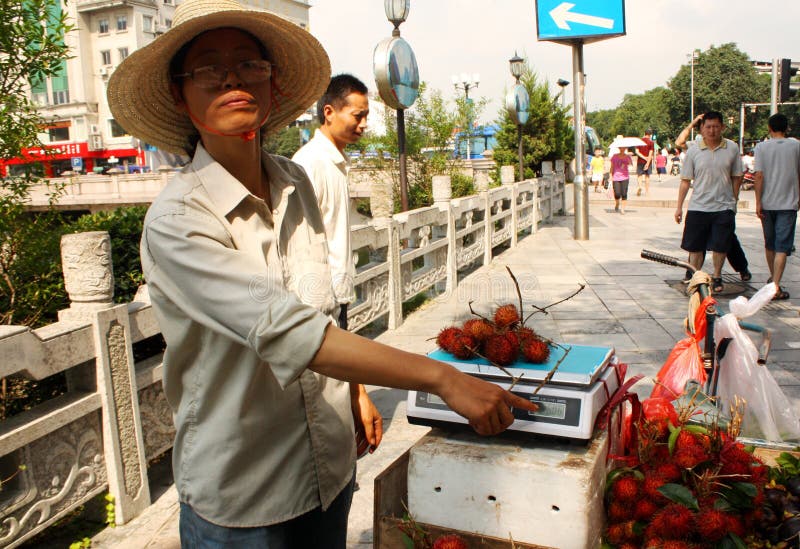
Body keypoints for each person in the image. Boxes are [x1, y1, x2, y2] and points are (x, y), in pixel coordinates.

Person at [106, 1, 537, 547]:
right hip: (243, 497)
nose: (232, 78)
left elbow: (321, 306)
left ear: (272, 82)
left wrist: (354, 389)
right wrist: (442, 377)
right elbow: (287, 332)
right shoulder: (178, 221)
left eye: (248, 64)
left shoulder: (295, 184)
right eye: (209, 69)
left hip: (328, 472)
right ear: (179, 94)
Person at [292, 74, 367, 331]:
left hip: (337, 294)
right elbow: (299, 241)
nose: (364, 124)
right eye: (358, 116)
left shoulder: (335, 161)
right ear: (329, 112)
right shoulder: (310, 164)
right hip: (319, 303)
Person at [675, 115, 751, 284]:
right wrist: (679, 207)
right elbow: (685, 180)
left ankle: (717, 276)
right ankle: (695, 277)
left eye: (715, 126)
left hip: (723, 207)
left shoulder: (731, 148)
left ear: (722, 127)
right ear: (702, 129)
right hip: (698, 206)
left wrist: (733, 199)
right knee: (695, 246)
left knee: (722, 245)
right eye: (708, 127)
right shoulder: (694, 149)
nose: (712, 130)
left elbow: (737, 177)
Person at [754, 113, 800, 300]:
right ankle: (776, 286)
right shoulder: (796, 145)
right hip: (788, 203)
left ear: (769, 128)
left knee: (770, 243)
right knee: (782, 247)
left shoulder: (761, 147)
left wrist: (758, 201)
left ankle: (774, 279)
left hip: (767, 203)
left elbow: (759, 176)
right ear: (787, 128)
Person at [610, 146, 632, 214]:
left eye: (624, 148)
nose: (622, 149)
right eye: (621, 148)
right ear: (619, 148)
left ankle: (622, 209)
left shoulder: (627, 157)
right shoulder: (614, 156)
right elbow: (612, 167)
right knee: (617, 193)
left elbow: (631, 165)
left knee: (624, 193)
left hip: (625, 177)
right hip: (616, 177)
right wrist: (610, 176)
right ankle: (617, 203)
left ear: (625, 149)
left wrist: (628, 161)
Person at [635, 128, 655, 196]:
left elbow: (637, 152)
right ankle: (647, 191)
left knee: (639, 175)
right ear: (650, 135)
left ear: (644, 133)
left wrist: (643, 157)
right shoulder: (651, 143)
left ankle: (640, 186)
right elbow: (651, 153)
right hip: (648, 161)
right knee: (647, 176)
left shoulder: (639, 141)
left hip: (640, 161)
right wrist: (647, 162)